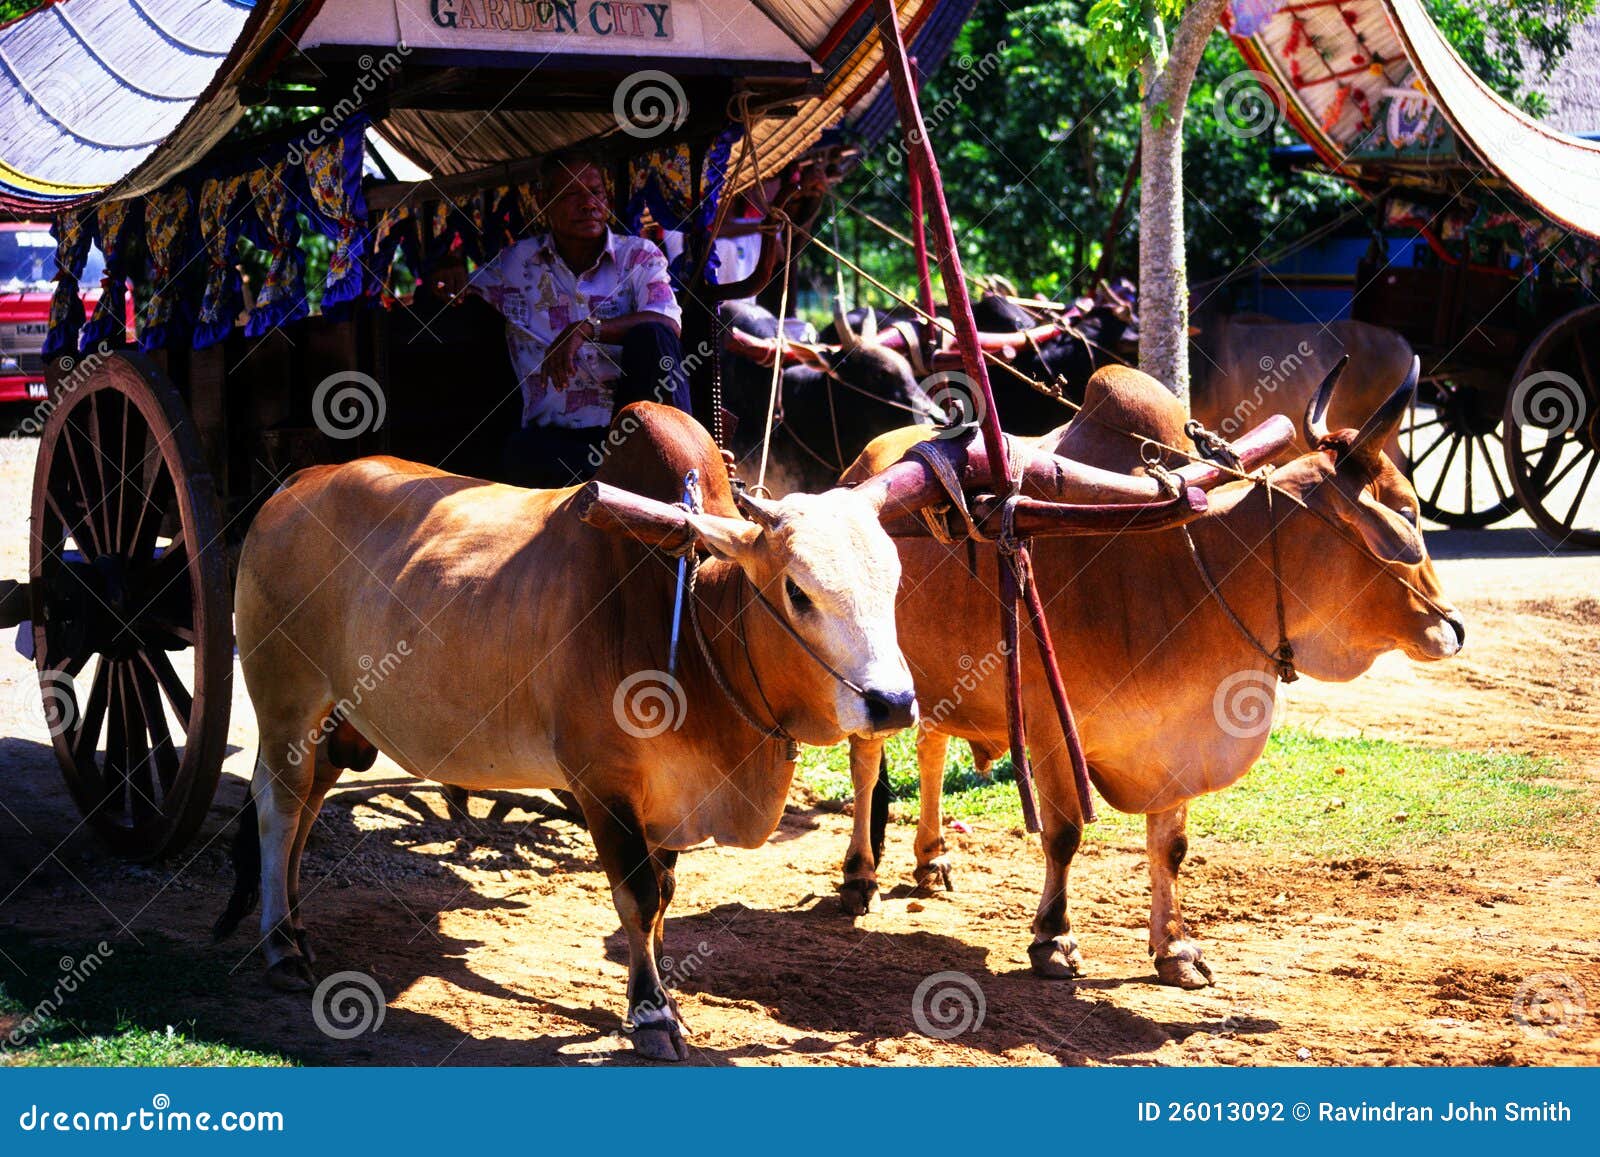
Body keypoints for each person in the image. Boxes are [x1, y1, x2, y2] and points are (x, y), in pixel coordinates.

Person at [468, 150, 690, 488]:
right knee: (520, 453)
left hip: (634, 437)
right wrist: (449, 275)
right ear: (543, 202)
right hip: (557, 443)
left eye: (596, 193)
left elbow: (667, 324)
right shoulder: (515, 264)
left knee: (653, 335)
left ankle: (681, 466)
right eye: (571, 194)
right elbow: (460, 293)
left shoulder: (638, 256)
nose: (588, 205)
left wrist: (588, 329)